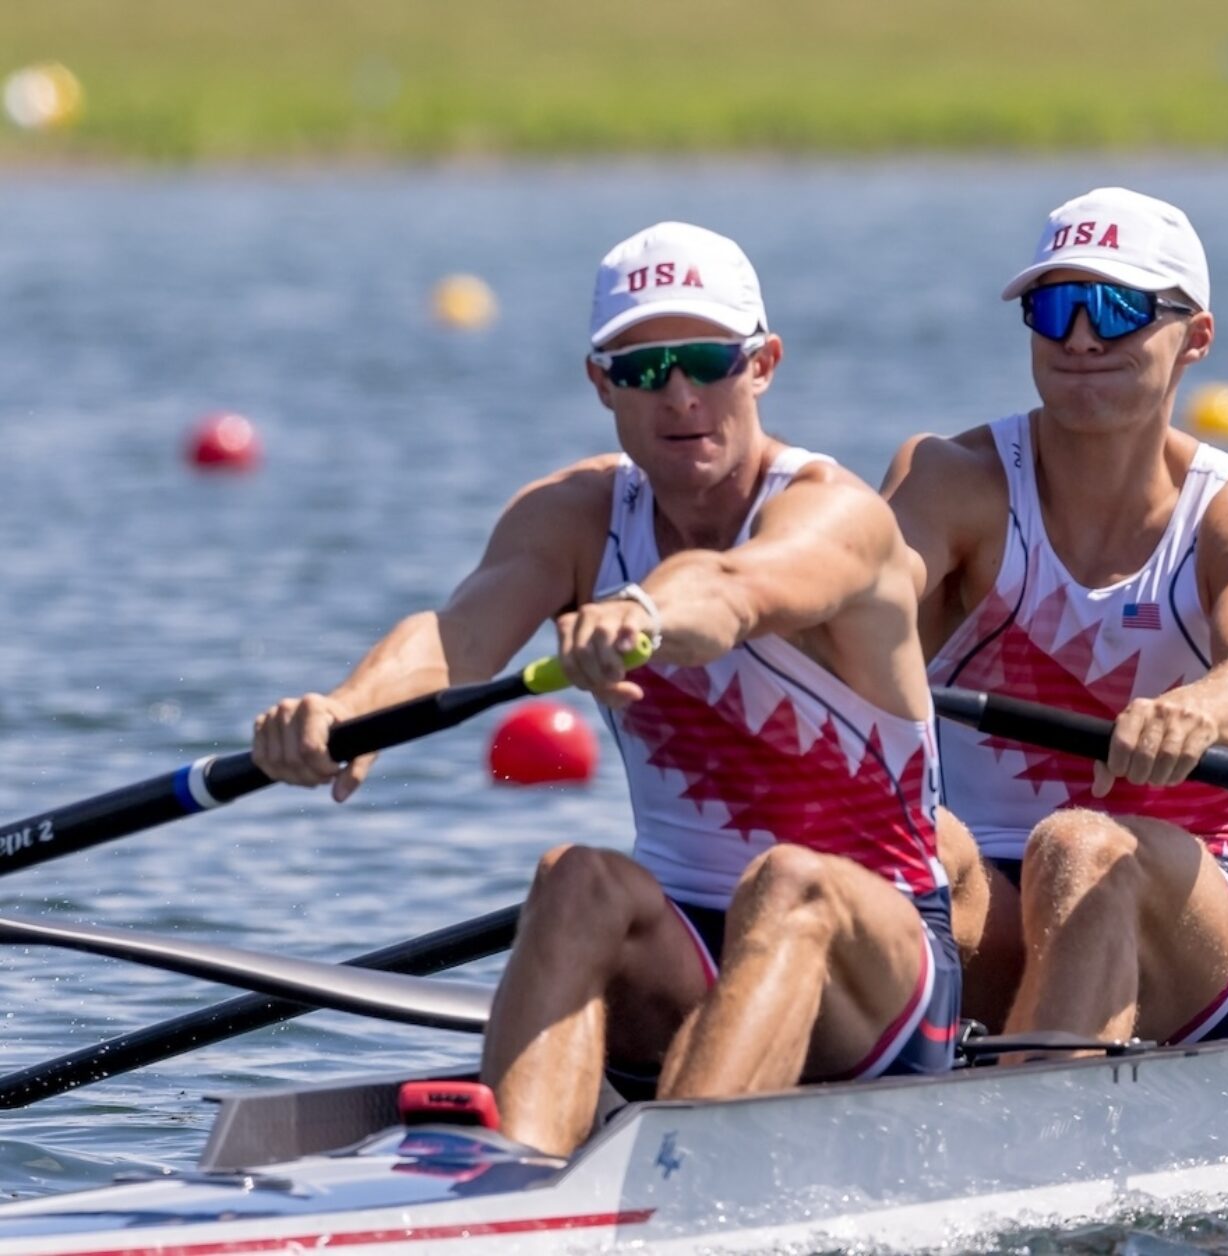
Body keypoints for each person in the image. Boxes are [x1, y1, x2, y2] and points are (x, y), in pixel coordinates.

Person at [250, 221, 959, 1156]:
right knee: (573, 876)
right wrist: (348, 711)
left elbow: (735, 591)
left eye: (707, 359)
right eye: (642, 367)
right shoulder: (574, 514)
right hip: (684, 956)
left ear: (763, 365)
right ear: (600, 384)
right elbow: (456, 638)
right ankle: (506, 1180)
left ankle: (675, 1182)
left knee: (790, 883)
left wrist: (640, 614)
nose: (679, 394)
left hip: (882, 972)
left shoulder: (835, 514)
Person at [884, 187, 1228, 1044]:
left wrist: (1202, 707)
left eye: (1115, 309)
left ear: (1194, 337)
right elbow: (868, 595)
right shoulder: (950, 478)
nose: (1080, 337)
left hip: (1187, 903)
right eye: (1053, 308)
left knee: (1080, 847)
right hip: (991, 896)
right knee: (887, 847)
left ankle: (1021, 1121)